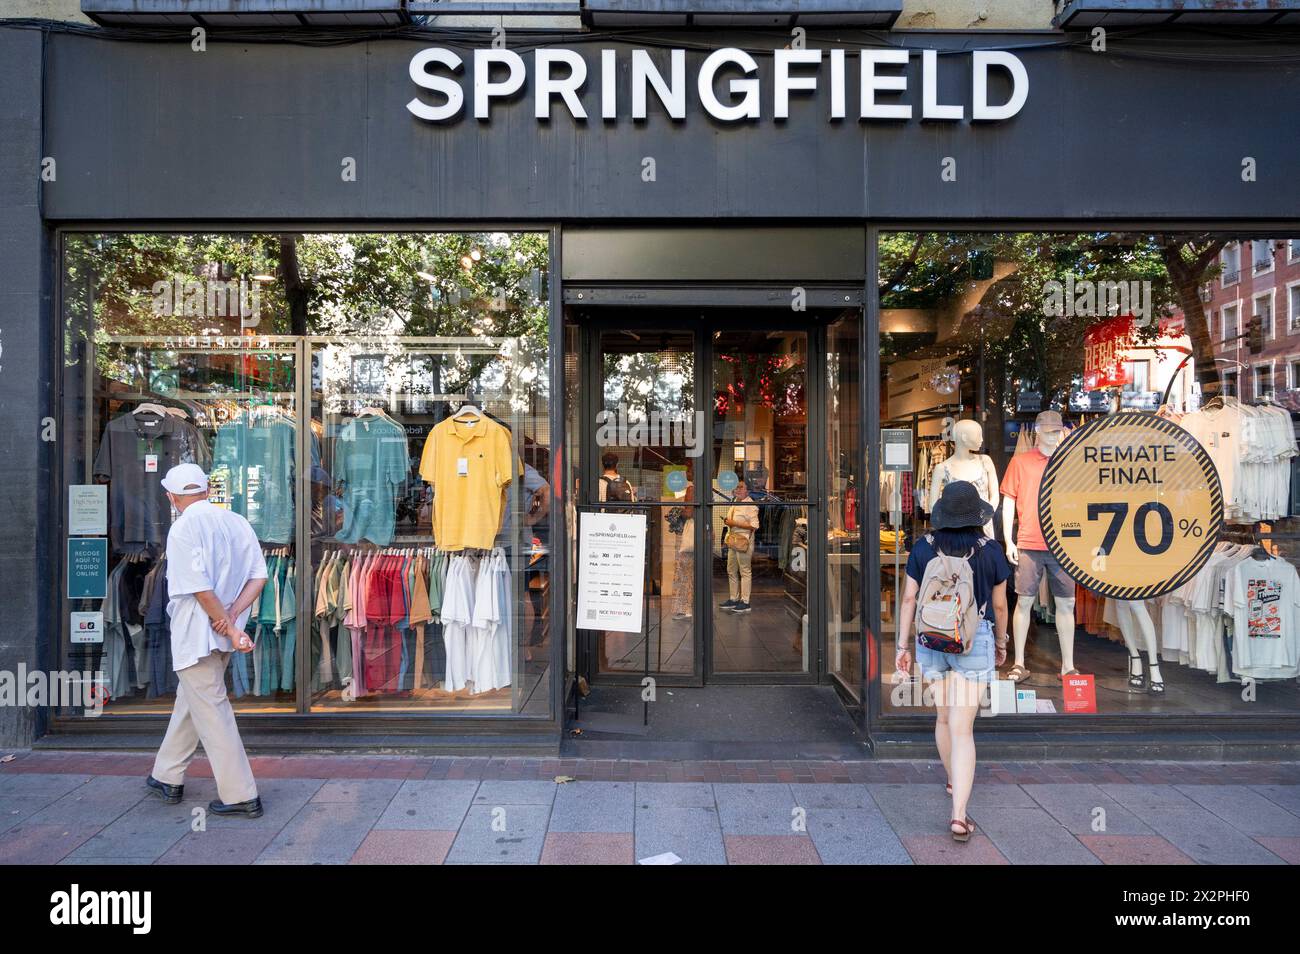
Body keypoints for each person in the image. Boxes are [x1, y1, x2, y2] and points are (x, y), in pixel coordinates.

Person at [145, 463, 268, 818]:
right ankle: (167, 774)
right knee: (194, 699)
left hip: (196, 634)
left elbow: (198, 588)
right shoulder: (236, 521)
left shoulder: (183, 528)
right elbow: (258, 576)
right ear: (204, 490)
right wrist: (231, 619)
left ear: (172, 496)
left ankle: (240, 794)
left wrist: (225, 623)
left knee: (211, 709)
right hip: (221, 635)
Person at [894, 480, 1009, 843]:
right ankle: (959, 815)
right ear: (976, 516)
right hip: (974, 642)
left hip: (931, 640)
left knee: (943, 718)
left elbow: (909, 600)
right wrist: (1002, 642)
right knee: (963, 730)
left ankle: (951, 777)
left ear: (942, 514)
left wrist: (901, 646)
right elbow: (1001, 605)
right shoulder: (991, 550)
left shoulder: (923, 547)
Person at [721, 479, 760, 614]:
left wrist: (734, 523)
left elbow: (754, 526)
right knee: (731, 570)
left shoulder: (751, 505)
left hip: (743, 541)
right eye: (736, 487)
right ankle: (733, 598)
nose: (737, 489)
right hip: (733, 540)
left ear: (747, 490)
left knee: (744, 571)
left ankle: (745, 601)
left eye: (740, 487)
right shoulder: (735, 503)